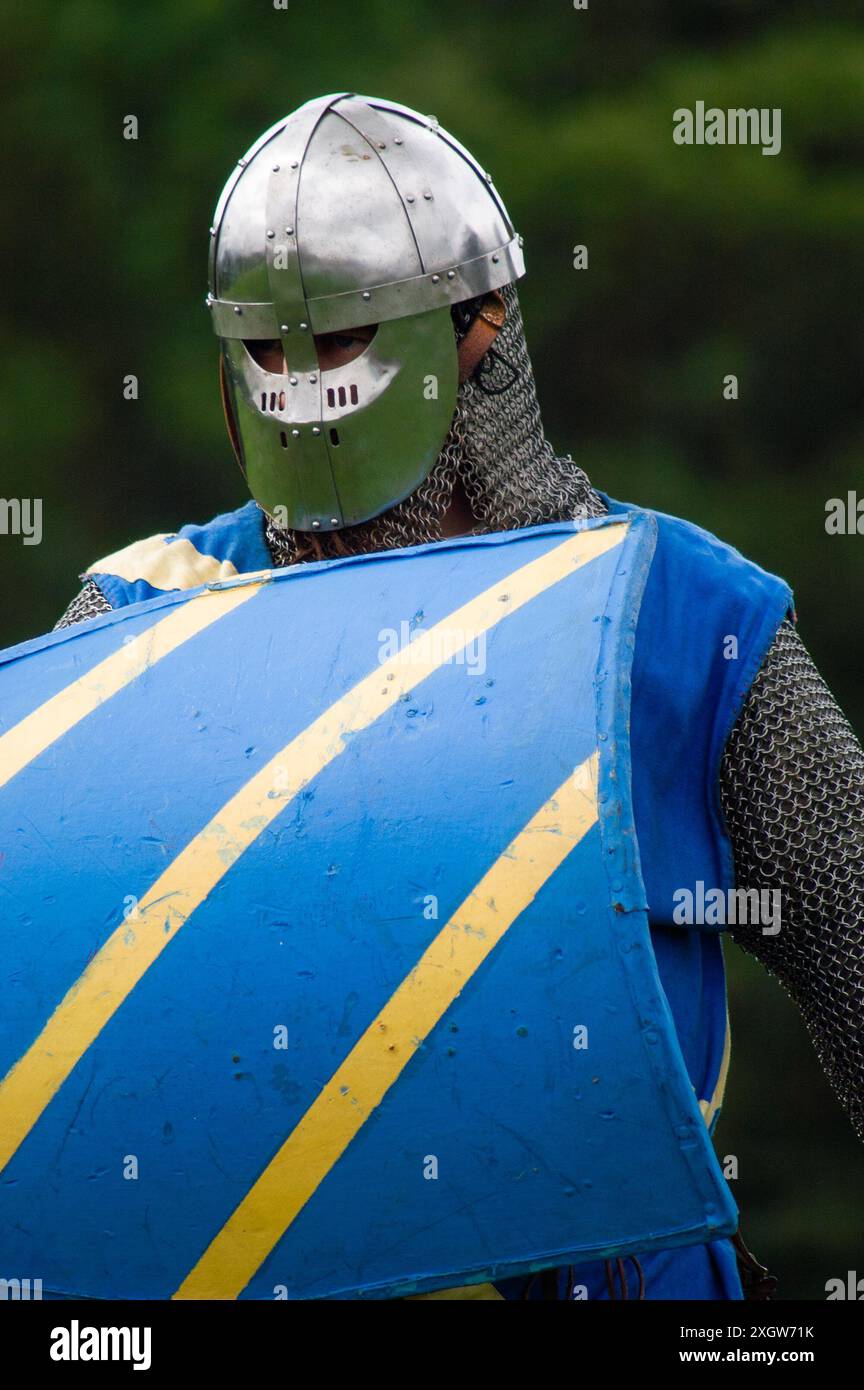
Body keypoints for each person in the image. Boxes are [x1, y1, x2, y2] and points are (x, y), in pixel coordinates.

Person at [55, 93, 863, 1301]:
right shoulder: (135, 626)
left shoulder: (680, 622)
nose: (302, 387)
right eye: (269, 352)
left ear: (479, 334)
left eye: (341, 342)